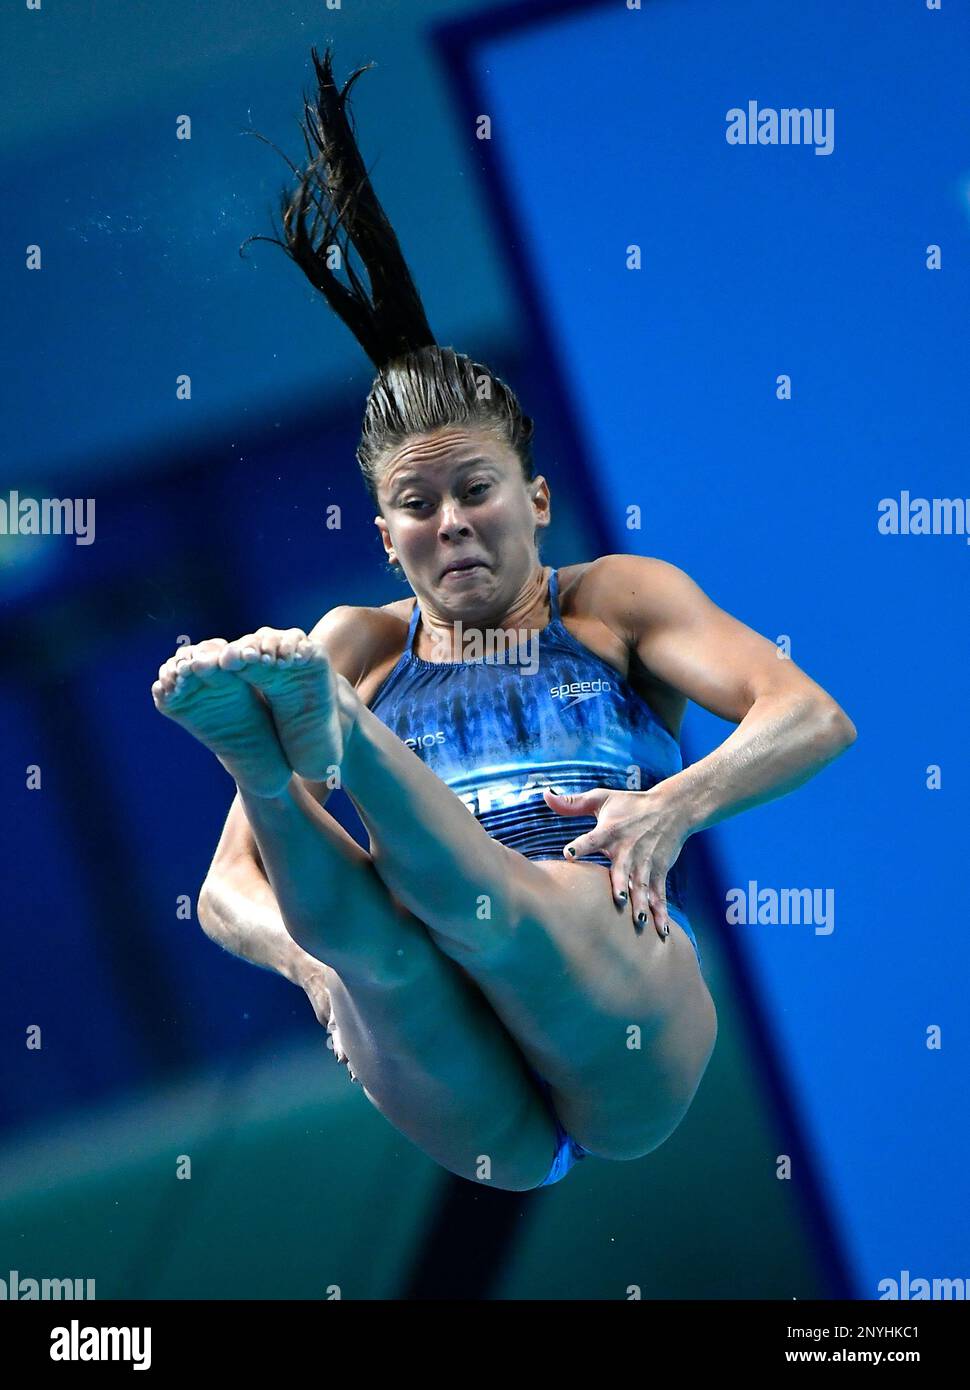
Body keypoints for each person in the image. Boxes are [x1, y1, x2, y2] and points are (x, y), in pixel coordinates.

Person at [151, 45, 857, 1191]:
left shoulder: (613, 601)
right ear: (385, 536)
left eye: (476, 489)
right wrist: (307, 969)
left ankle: (335, 751)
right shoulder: (362, 640)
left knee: (489, 905)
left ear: (534, 498)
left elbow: (811, 716)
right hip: (451, 1049)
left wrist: (669, 806)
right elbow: (223, 890)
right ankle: (283, 772)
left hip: (616, 994)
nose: (453, 524)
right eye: (416, 506)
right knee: (376, 952)